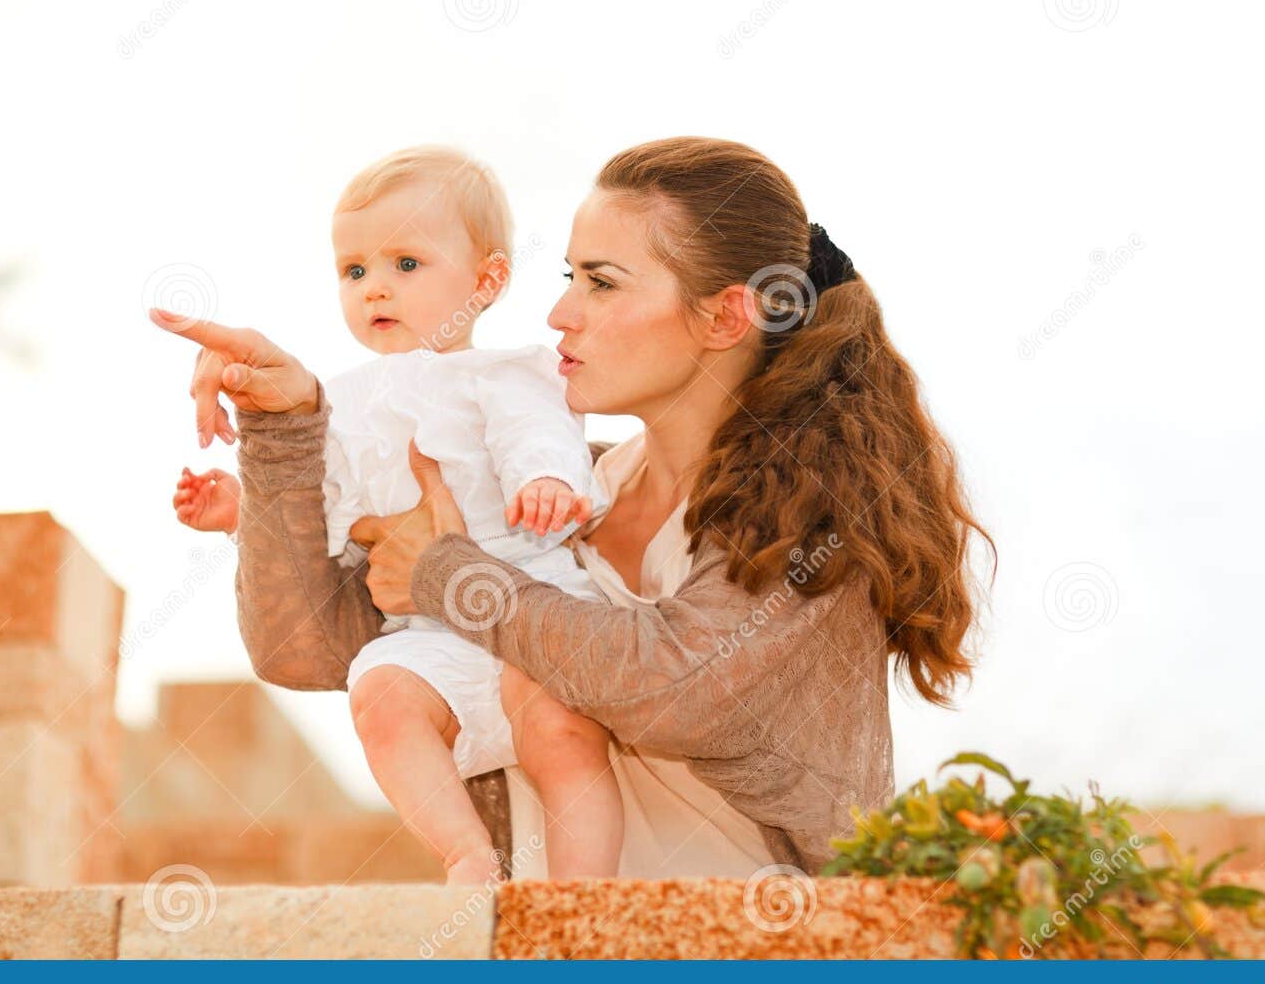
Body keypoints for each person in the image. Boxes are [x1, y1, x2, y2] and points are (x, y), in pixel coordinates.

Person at [153, 136, 995, 878]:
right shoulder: (560, 490)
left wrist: (447, 572)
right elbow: (304, 646)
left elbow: (672, 683)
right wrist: (283, 424)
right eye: (567, 277)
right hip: (557, 972)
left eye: (600, 282)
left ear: (725, 314)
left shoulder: (811, 522)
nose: (558, 313)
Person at [161, 146, 624, 884]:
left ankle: (580, 895)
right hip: (428, 631)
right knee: (379, 694)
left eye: (406, 264)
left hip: (533, 604)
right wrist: (241, 512)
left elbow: (537, 434)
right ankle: (466, 853)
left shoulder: (500, 374)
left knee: (566, 738)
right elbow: (322, 507)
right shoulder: (340, 400)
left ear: (487, 280)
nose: (376, 288)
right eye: (355, 271)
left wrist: (546, 479)